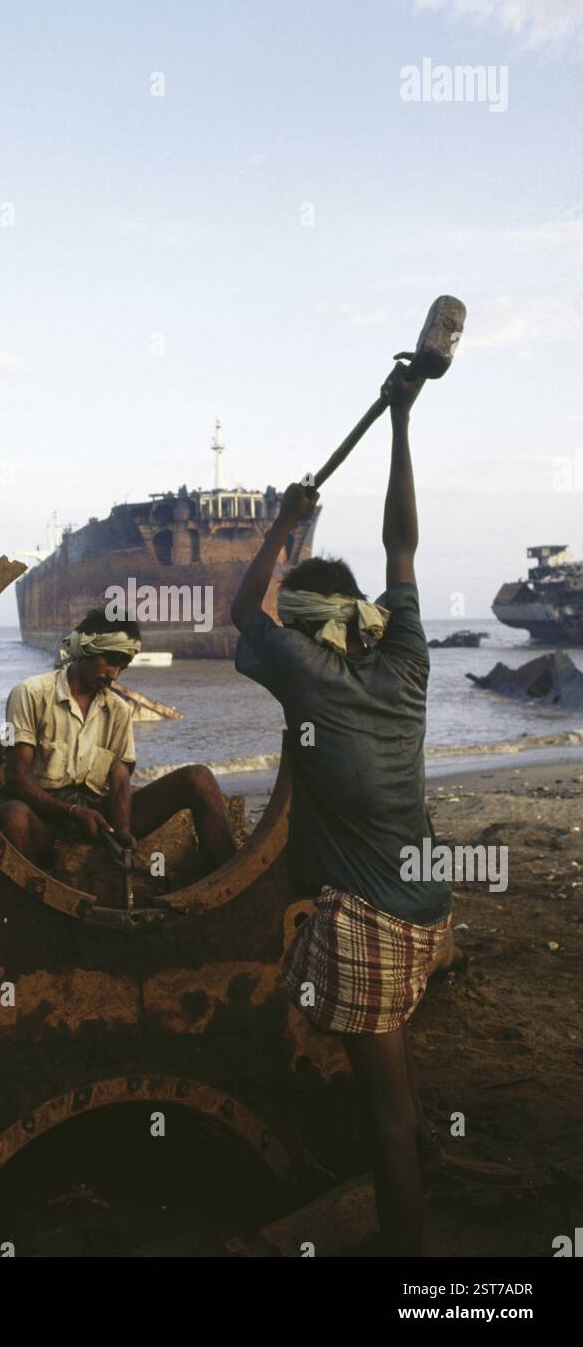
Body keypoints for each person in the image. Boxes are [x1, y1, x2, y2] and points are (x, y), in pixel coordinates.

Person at [230, 363, 453, 1256]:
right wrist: (401, 419)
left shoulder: (304, 673)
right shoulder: (407, 658)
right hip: (429, 904)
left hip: (375, 921)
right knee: (392, 1053)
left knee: (384, 1110)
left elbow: (243, 607)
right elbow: (402, 545)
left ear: (306, 624)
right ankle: (422, 1150)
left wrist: (284, 521)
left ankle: (414, 1262)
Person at [0, 608, 236, 876]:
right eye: (110, 661)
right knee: (12, 815)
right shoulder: (29, 693)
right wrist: (72, 811)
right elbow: (16, 778)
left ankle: (230, 878)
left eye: (122, 666)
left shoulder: (119, 710)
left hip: (100, 815)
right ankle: (37, 895)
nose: (114, 674)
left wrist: (121, 829)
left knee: (198, 778)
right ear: (86, 648)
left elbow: (120, 779)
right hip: (47, 815)